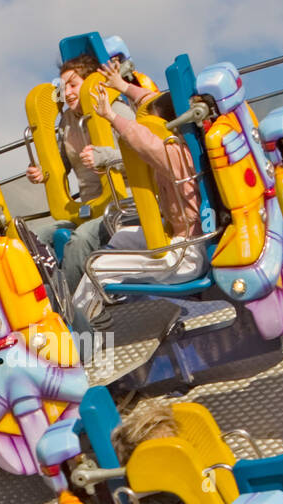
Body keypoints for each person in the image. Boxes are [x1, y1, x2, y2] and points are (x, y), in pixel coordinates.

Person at [65, 65, 205, 329]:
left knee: (97, 267)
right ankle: (109, 293)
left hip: (185, 257)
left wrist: (110, 116)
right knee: (120, 238)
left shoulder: (176, 156)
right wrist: (122, 85)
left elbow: (145, 141)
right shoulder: (187, 142)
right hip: (181, 241)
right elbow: (150, 103)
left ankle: (85, 329)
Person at [25, 52, 134, 296]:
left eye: (73, 85)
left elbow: (143, 158)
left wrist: (105, 158)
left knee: (81, 239)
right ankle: (44, 299)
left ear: (90, 83)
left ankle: (73, 309)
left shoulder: (116, 110)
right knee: (36, 238)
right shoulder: (66, 122)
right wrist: (42, 173)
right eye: (64, 88)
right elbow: (62, 163)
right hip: (88, 207)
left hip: (123, 203)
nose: (69, 93)